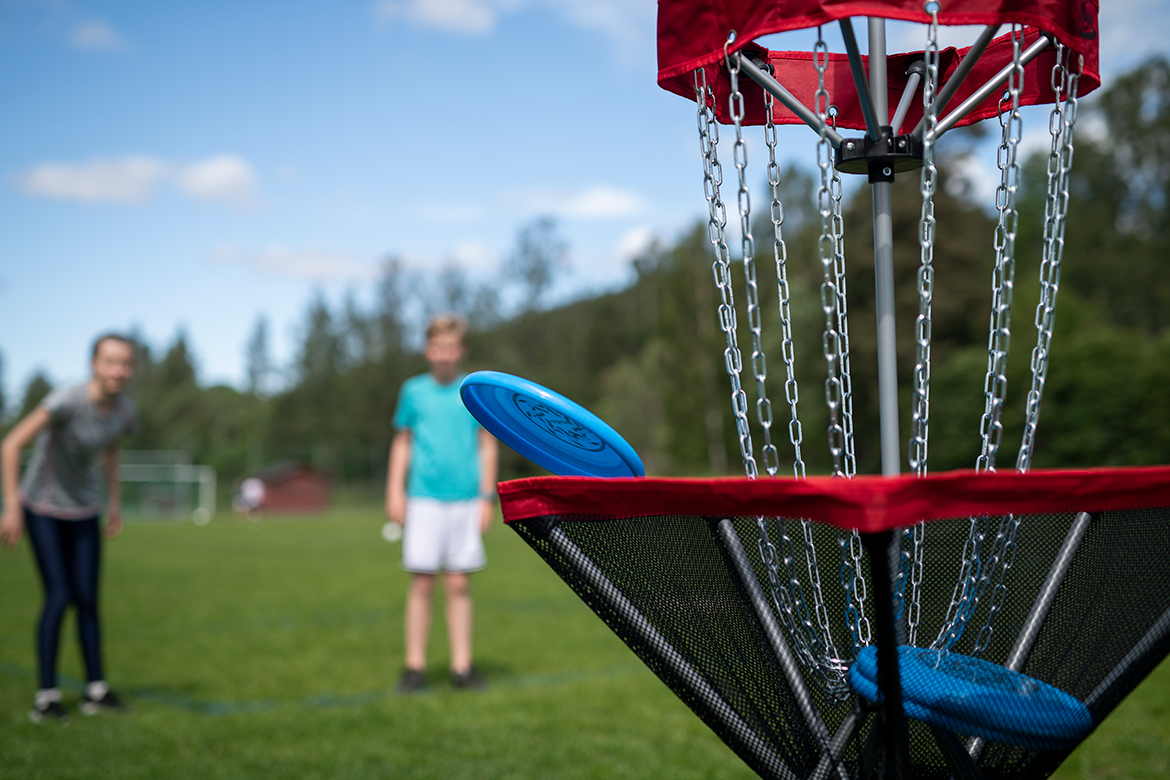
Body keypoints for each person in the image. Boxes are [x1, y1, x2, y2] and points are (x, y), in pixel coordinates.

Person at [0, 334, 138, 723]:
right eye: (110, 361)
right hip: (42, 508)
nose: (118, 370)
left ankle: (97, 690)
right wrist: (12, 508)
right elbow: (10, 446)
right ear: (94, 364)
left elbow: (111, 452)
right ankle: (46, 697)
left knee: (89, 599)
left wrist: (113, 502)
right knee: (59, 596)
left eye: (125, 363)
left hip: (85, 510)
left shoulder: (125, 413)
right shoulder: (67, 402)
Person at [386, 314, 498, 693]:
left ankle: (462, 667)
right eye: (438, 347)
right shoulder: (413, 391)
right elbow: (402, 441)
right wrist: (394, 491)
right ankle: (415, 667)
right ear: (426, 350)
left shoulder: (474, 392)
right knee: (421, 584)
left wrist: (487, 498)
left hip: (467, 501)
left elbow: (487, 443)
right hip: (423, 500)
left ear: (461, 350)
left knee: (459, 585)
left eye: (451, 348)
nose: (445, 355)